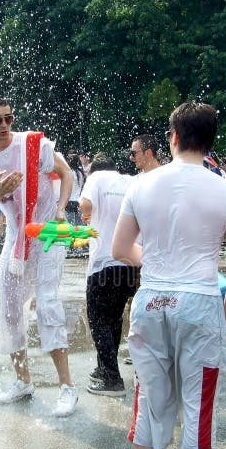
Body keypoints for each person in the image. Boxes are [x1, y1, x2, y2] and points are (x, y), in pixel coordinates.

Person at [112, 102, 226, 449]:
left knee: (149, 398)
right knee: (199, 405)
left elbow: (120, 248)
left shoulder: (142, 185)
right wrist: (224, 314)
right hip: (199, 299)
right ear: (210, 142)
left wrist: (154, 266)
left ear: (172, 137)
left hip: (151, 298)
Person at [0, 94, 78, 417]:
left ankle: (66, 387)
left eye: (9, 118)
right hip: (17, 238)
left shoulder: (34, 144)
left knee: (46, 302)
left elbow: (67, 174)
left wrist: (60, 210)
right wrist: (1, 191)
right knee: (10, 309)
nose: (4, 125)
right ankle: (23, 380)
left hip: (46, 232)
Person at [79, 154, 137, 397]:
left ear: (93, 170)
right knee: (113, 319)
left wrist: (86, 220)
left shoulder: (96, 178)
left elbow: (85, 206)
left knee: (98, 320)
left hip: (104, 262)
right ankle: (105, 368)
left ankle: (112, 379)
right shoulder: (130, 181)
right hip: (130, 263)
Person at [64, 152, 86, 225]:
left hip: (69, 201)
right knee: (79, 224)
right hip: (78, 201)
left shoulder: (69, 173)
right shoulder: (81, 173)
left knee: (69, 224)